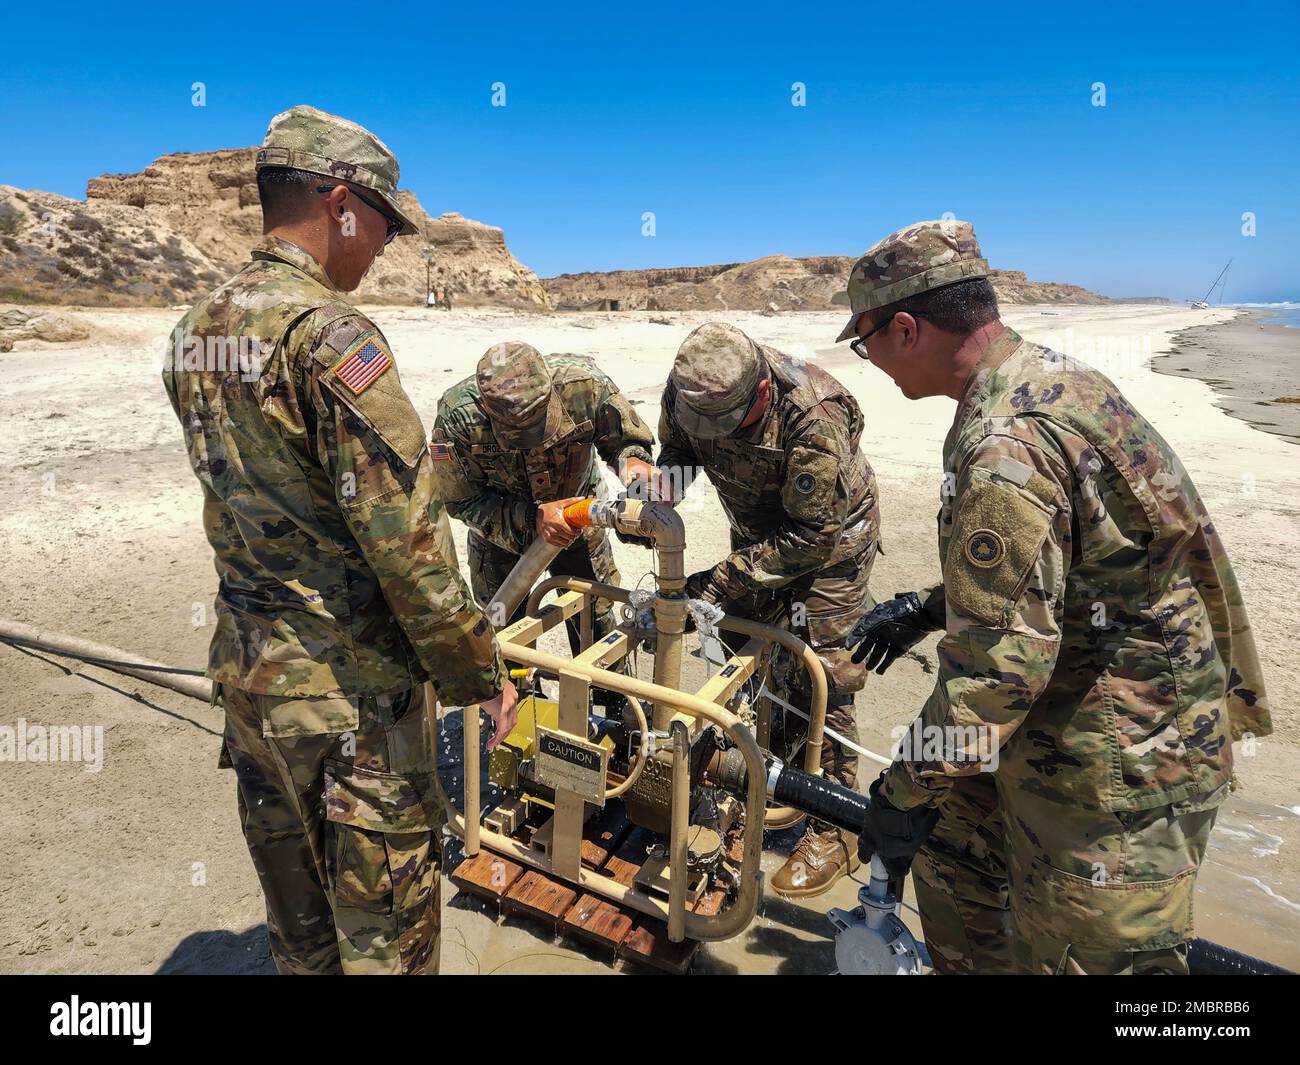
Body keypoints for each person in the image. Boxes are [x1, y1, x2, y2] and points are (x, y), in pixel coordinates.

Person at [843, 219, 1272, 974]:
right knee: (959, 870)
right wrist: (933, 606)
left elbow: (993, 681)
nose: (866, 360)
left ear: (905, 328)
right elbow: (1071, 561)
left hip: (1118, 766)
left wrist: (902, 789)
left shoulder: (1007, 441)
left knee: (1089, 963)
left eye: (864, 341)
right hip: (1072, 718)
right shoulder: (1043, 380)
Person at [162, 105, 517, 975]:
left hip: (253, 687)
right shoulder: (331, 336)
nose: (383, 248)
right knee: (386, 939)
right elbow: (410, 545)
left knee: (302, 932)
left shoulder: (195, 329)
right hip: (349, 702)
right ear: (339, 202)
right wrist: (478, 675)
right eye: (383, 227)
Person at [657, 322, 881, 897]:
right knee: (750, 646)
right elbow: (679, 454)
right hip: (759, 531)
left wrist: (718, 580)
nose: (714, 433)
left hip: (831, 540)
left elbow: (812, 536)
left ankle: (834, 824)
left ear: (759, 393)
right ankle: (774, 772)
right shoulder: (691, 387)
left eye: (727, 424)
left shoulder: (813, 414)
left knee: (822, 669)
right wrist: (656, 499)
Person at [430, 342, 657, 655]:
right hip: (502, 539)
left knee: (599, 631)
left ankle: (608, 701)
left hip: (580, 525)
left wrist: (633, 462)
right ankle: (518, 700)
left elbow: (625, 441)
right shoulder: (457, 419)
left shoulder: (585, 386)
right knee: (502, 638)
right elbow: (460, 500)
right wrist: (530, 517)